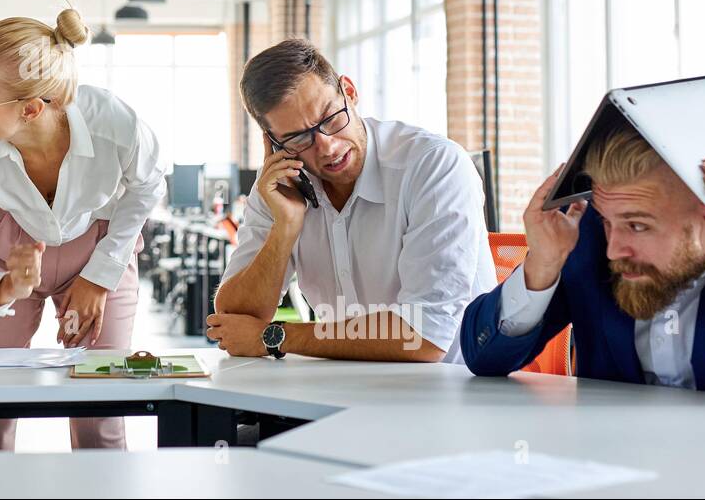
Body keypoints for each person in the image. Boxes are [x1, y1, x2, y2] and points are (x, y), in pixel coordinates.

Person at [0, 8, 166, 449]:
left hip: (99, 247)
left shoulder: (114, 124)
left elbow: (147, 186)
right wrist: (6, 286)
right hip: (7, 250)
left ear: (29, 108)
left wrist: (100, 277)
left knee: (98, 410)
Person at [209, 37, 495, 363]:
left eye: (331, 117)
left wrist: (274, 337)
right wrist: (284, 229)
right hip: (345, 386)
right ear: (273, 142)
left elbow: (425, 335)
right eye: (299, 138)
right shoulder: (280, 184)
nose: (328, 147)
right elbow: (232, 318)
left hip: (448, 394)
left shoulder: (434, 166)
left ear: (349, 91)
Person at [461, 126, 705, 389]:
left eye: (638, 226)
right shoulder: (583, 234)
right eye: (607, 221)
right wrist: (543, 264)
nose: (614, 250)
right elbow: (484, 357)